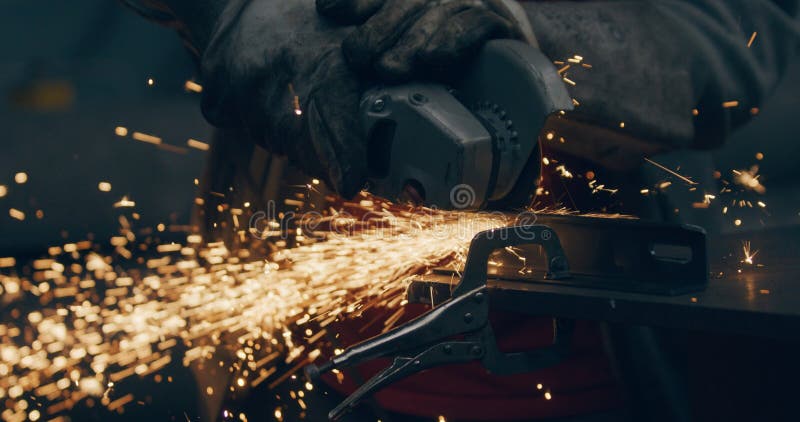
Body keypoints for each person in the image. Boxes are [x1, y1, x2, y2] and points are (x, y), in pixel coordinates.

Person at [121, 0, 800, 420]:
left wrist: (534, 30)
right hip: (316, 369)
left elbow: (741, 26)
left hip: (601, 375)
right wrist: (245, 11)